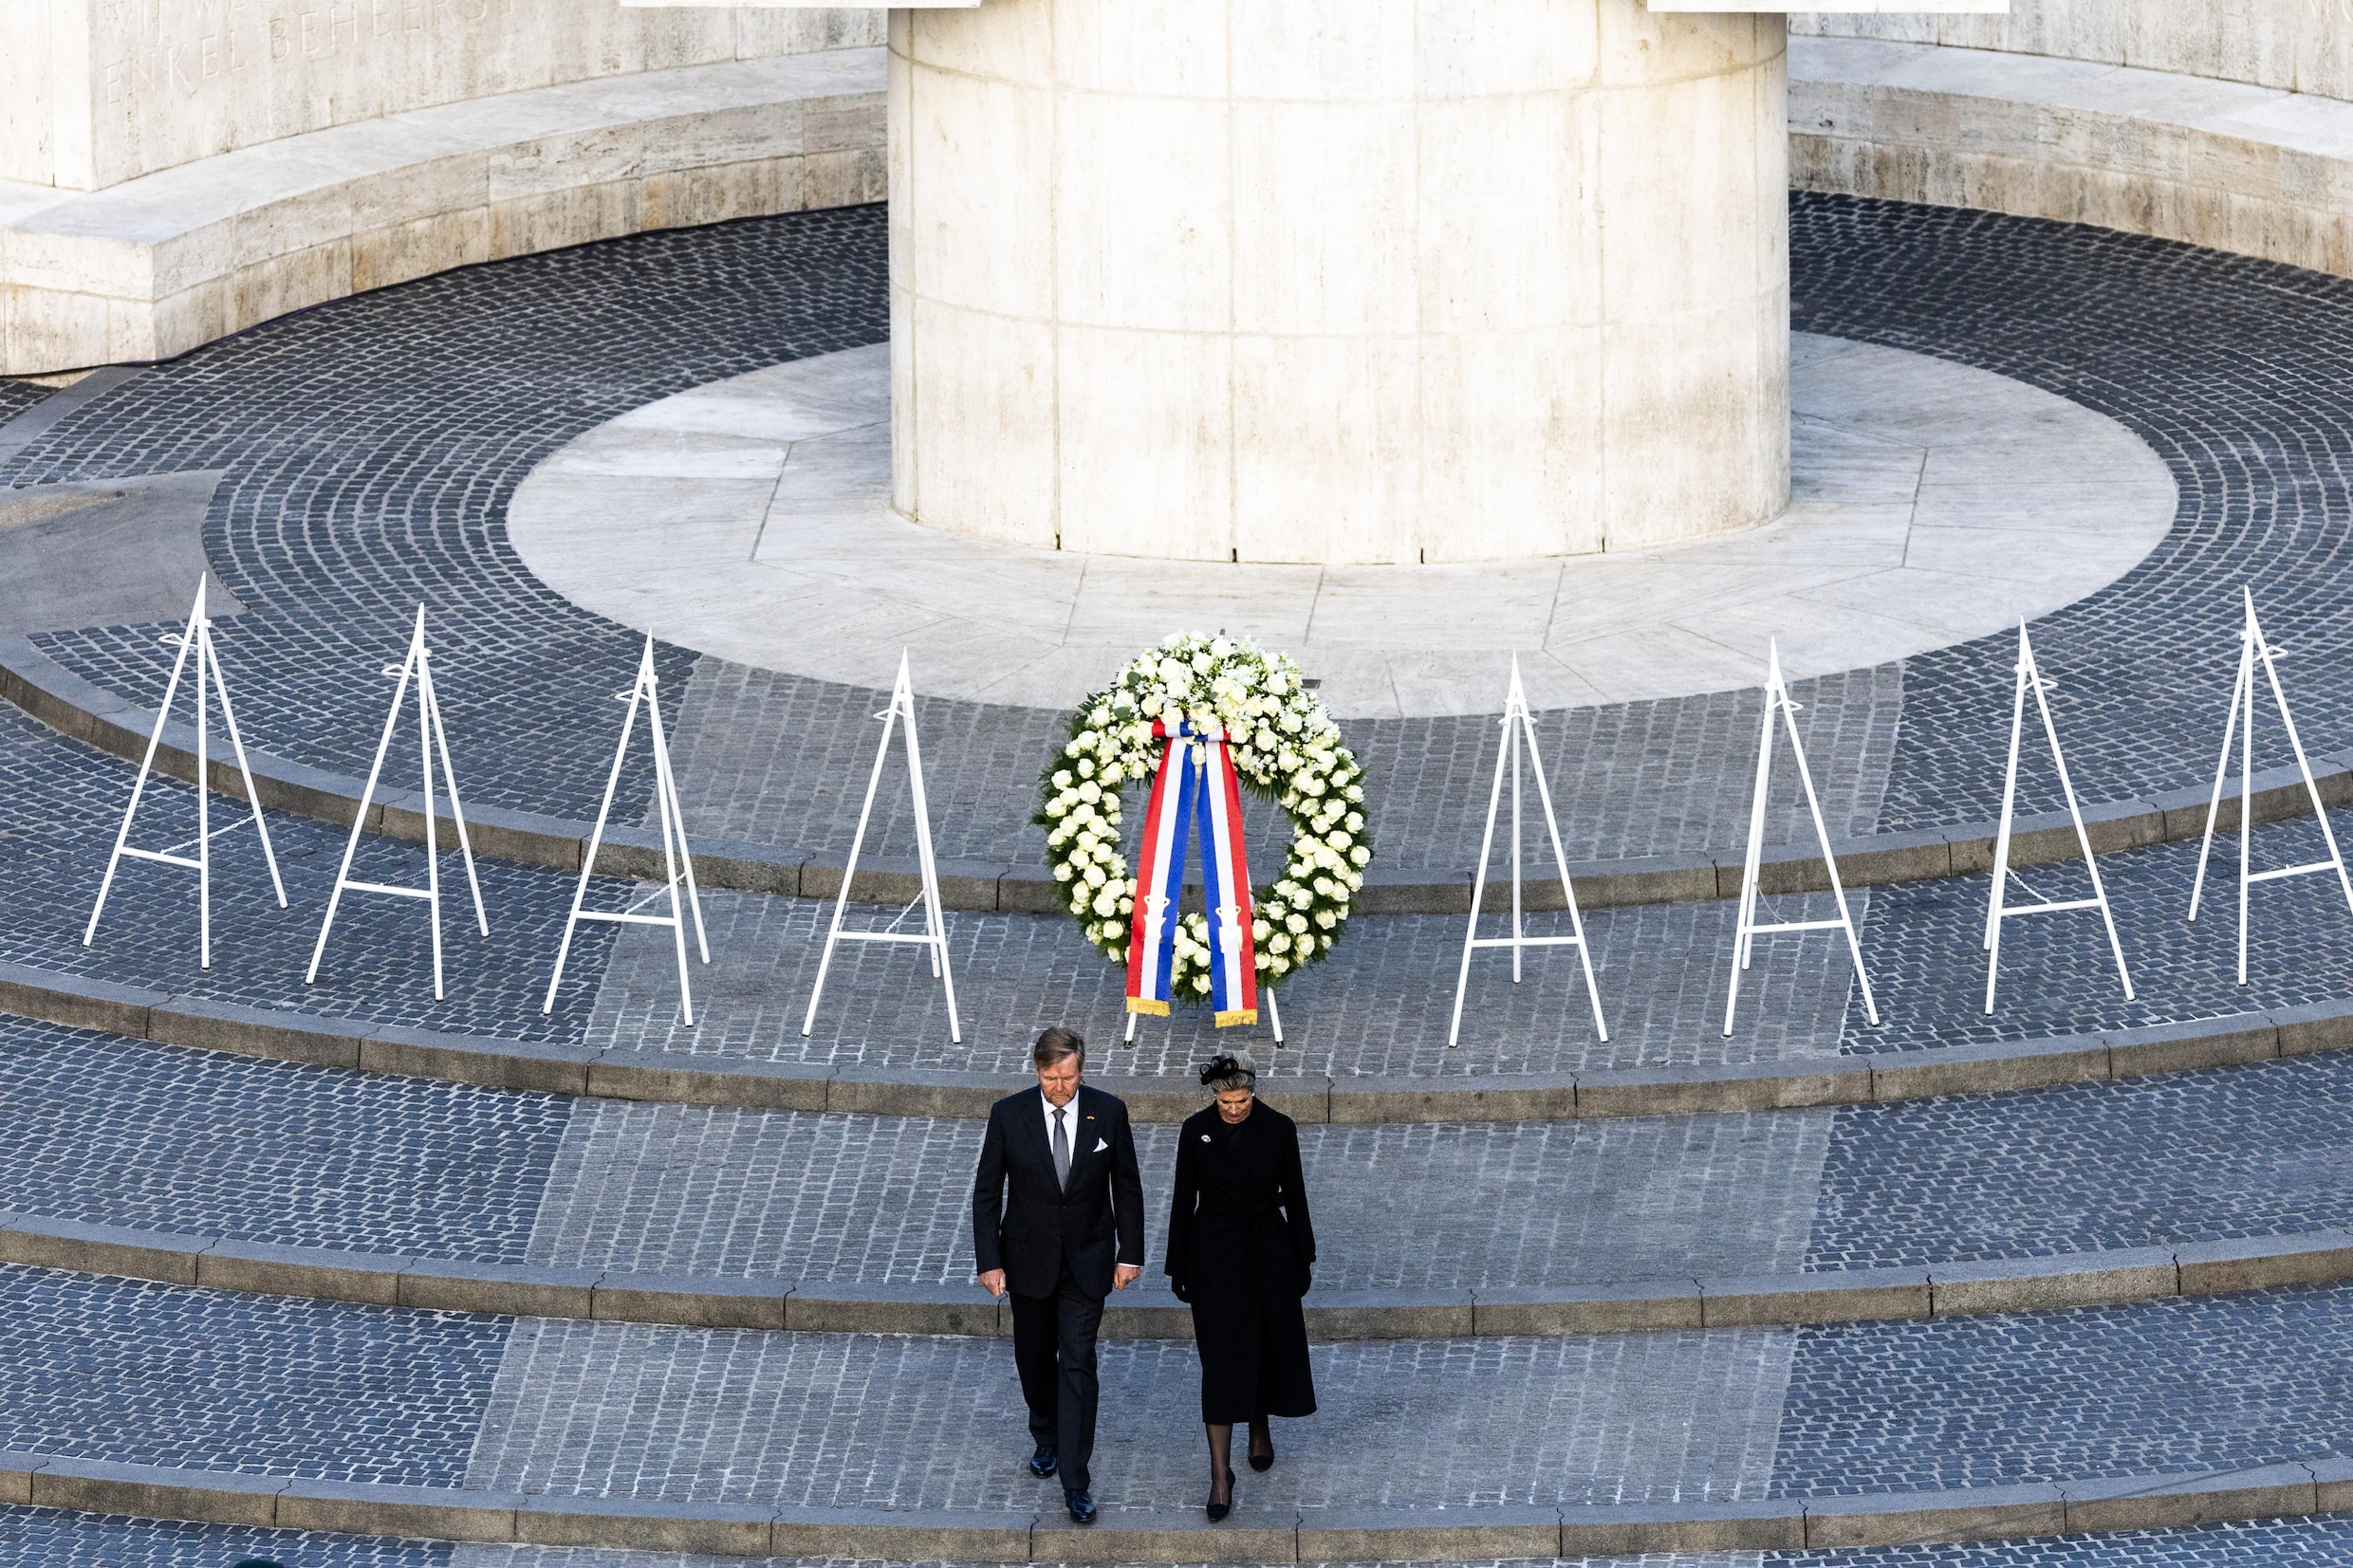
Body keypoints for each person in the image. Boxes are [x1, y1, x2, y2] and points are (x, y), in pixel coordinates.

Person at [973, 1026, 1144, 1523]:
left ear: (1081, 1071)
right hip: (1027, 1261)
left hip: (1088, 1262)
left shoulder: (1108, 1112)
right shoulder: (1009, 1115)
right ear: (1037, 1072)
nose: (1059, 1087)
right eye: (1050, 1078)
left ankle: (1076, 1480)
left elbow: (1126, 1186)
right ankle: (1045, 1432)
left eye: (1067, 1078)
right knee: (1033, 1357)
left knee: (1077, 1364)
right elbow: (987, 1193)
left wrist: (1130, 1254)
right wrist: (989, 1260)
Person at [1165, 1049, 1317, 1521]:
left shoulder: (1279, 1128)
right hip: (1214, 1253)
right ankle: (1219, 1476)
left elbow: (1295, 1193)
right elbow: (1182, 1198)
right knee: (1221, 1359)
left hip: (1267, 1247)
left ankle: (1259, 1427)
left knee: (1265, 1342)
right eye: (1226, 1102)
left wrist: (1303, 1257)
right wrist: (1177, 1266)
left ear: (1254, 1092)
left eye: (1242, 1100)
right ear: (1215, 1098)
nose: (1234, 1109)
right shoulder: (1195, 1130)